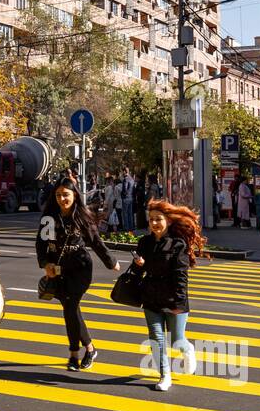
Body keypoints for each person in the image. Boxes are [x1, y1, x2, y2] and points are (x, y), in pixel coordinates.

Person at [36, 176, 117, 371]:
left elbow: (96, 242)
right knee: (70, 310)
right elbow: (41, 243)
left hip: (80, 269)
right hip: (57, 270)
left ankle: (75, 353)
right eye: (58, 195)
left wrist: (110, 261)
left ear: (74, 195)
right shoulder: (49, 217)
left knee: (71, 308)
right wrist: (45, 263)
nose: (62, 199)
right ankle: (88, 349)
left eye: (66, 195)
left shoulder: (82, 216)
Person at [127, 199, 206, 392]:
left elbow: (181, 275)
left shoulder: (178, 244)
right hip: (151, 297)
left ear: (168, 221)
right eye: (151, 219)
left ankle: (188, 351)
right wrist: (138, 265)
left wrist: (179, 302)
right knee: (156, 338)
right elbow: (137, 273)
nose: (154, 223)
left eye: (158, 219)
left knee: (177, 340)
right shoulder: (144, 243)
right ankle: (165, 375)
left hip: (173, 299)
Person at [120, 167, 136, 232]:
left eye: (122, 172)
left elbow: (125, 189)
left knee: (125, 214)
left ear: (124, 171)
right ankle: (131, 227)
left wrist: (122, 194)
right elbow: (133, 189)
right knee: (130, 213)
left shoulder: (125, 179)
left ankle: (126, 227)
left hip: (126, 198)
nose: (122, 173)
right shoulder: (132, 179)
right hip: (131, 198)